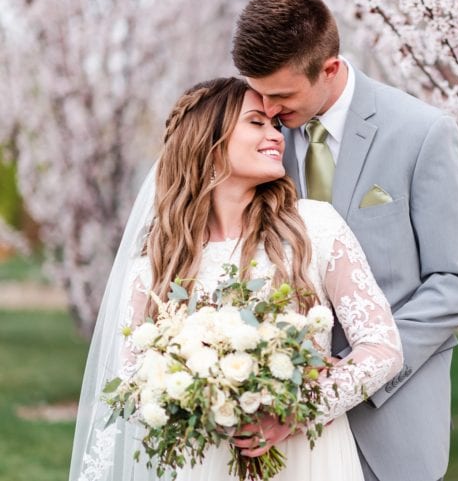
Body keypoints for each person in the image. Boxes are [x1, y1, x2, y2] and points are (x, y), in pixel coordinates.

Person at [68, 77, 404, 481]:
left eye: (276, 126)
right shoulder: (159, 260)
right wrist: (208, 403)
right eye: (257, 122)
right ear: (209, 145)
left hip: (306, 459)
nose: (276, 136)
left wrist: (297, 412)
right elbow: (133, 381)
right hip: (204, 461)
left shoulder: (314, 227)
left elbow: (383, 349)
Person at [231, 0, 458, 481]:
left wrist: (359, 371)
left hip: (392, 413)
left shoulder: (422, 133)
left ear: (328, 68)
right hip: (276, 416)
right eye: (259, 93)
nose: (268, 110)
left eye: (281, 95)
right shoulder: (259, 140)